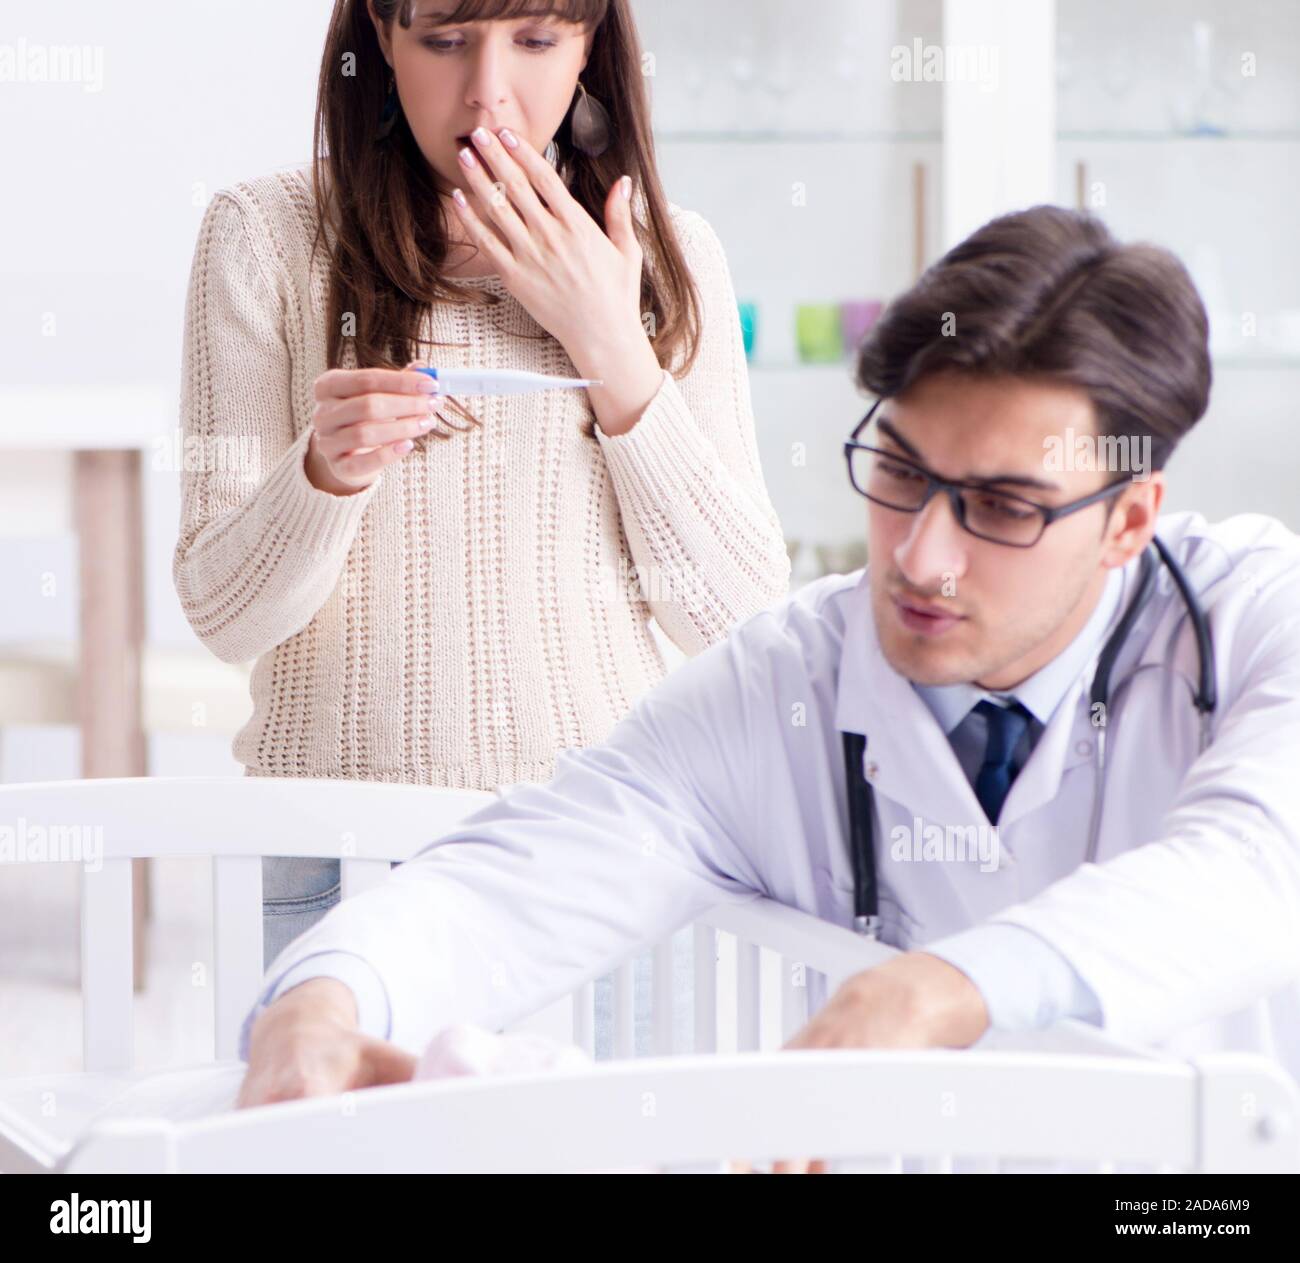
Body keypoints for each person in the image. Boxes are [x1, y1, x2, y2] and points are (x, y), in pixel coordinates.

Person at [235, 205, 1300, 1150]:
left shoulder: (1251, 617)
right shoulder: (789, 679)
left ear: (1128, 521)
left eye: (1006, 507)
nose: (922, 558)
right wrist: (327, 1001)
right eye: (899, 472)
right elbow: (519, 875)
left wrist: (938, 989)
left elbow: (1258, 860)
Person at [171, 0, 790, 1053]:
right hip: (339, 859)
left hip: (600, 863)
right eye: (445, 40)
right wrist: (325, 473)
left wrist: (610, 342)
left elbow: (741, 622)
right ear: (380, 38)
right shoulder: (265, 236)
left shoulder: (671, 256)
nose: (488, 93)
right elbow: (224, 616)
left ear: (593, 48)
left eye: (537, 42)